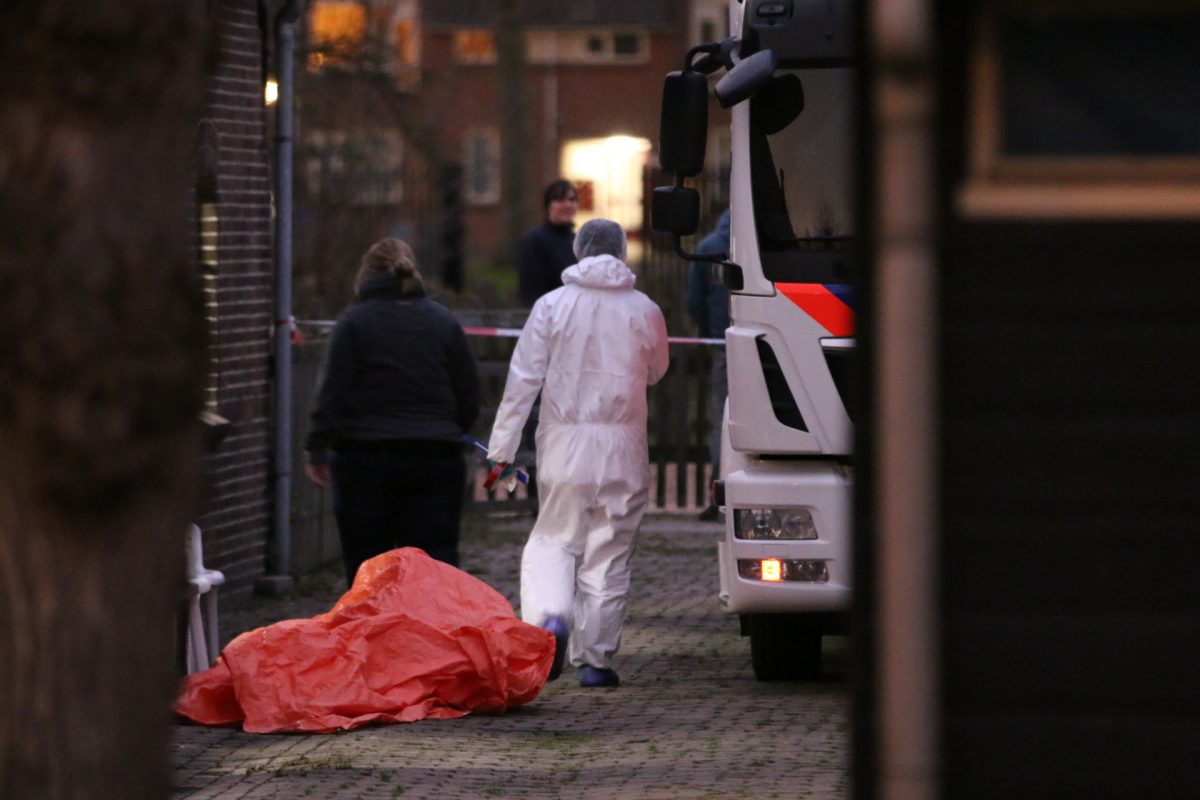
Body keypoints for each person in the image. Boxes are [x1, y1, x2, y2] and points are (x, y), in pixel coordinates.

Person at [486, 219, 669, 688]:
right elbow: (657, 371)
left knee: (554, 539)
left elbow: (523, 381)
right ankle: (596, 661)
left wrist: (502, 450)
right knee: (610, 549)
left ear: (578, 250)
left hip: (565, 443)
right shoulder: (645, 309)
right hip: (624, 445)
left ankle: (549, 622)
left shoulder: (551, 306)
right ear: (622, 252)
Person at [305, 238, 481, 586]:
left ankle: (377, 623)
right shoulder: (443, 322)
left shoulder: (353, 323)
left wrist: (318, 448)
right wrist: (450, 432)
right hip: (435, 457)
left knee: (369, 571)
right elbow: (469, 392)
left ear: (366, 274)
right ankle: (430, 622)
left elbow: (333, 393)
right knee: (435, 567)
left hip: (364, 458)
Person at [685, 209, 731, 522]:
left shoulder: (709, 247)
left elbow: (693, 301)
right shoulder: (764, 240)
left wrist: (710, 331)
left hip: (723, 344)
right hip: (769, 341)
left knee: (723, 421)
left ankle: (719, 496)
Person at [517, 179, 579, 308]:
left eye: (572, 200)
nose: (568, 205)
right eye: (560, 200)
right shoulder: (534, 241)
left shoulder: (577, 242)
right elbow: (531, 291)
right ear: (549, 205)